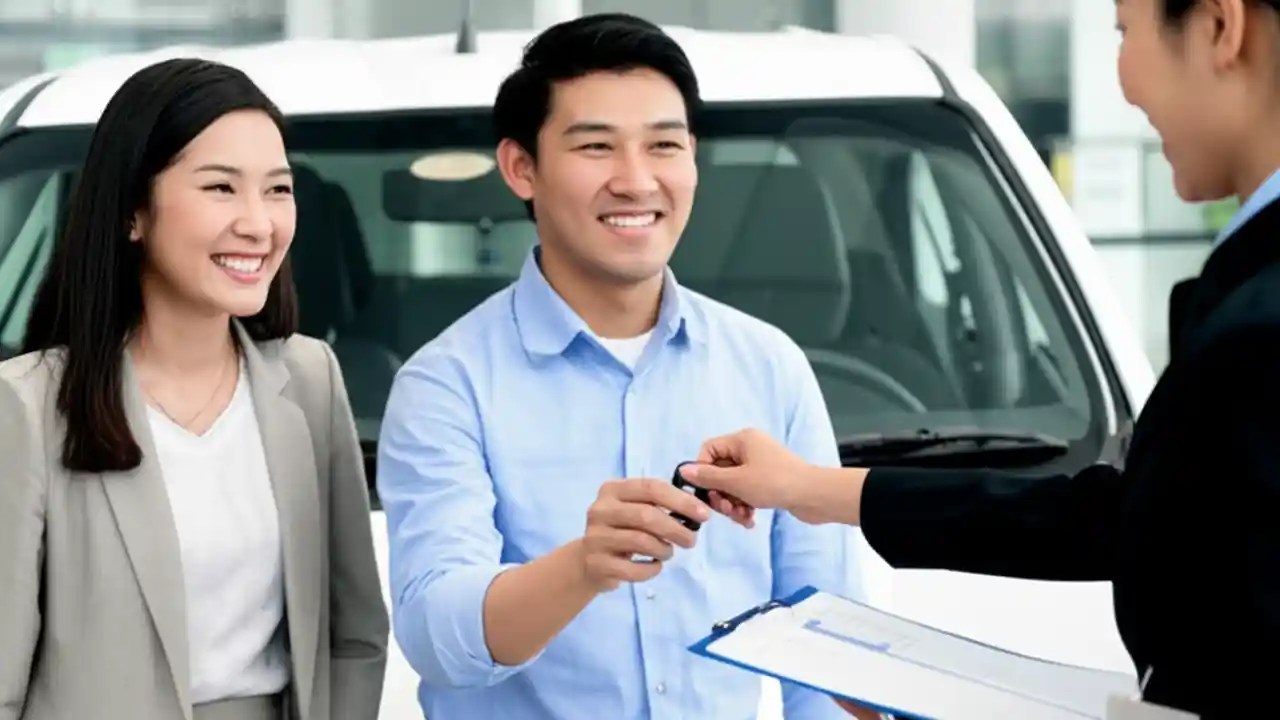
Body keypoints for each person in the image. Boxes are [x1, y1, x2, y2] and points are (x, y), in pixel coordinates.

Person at [681, 5, 1280, 716]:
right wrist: (813, 488)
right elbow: (1133, 519)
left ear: (1219, 26)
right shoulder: (1249, 290)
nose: (1124, 82)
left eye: (1124, 30)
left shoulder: (1263, 318)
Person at [376, 12, 879, 720]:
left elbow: (826, 641)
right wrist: (581, 567)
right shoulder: (446, 385)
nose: (637, 180)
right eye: (596, 147)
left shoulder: (768, 365)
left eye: (665, 146)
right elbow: (437, 635)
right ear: (522, 168)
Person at [0, 58, 388, 720]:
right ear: (132, 212)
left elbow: (353, 634)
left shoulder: (310, 379)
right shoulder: (28, 405)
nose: (259, 224)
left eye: (277, 190)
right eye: (220, 188)